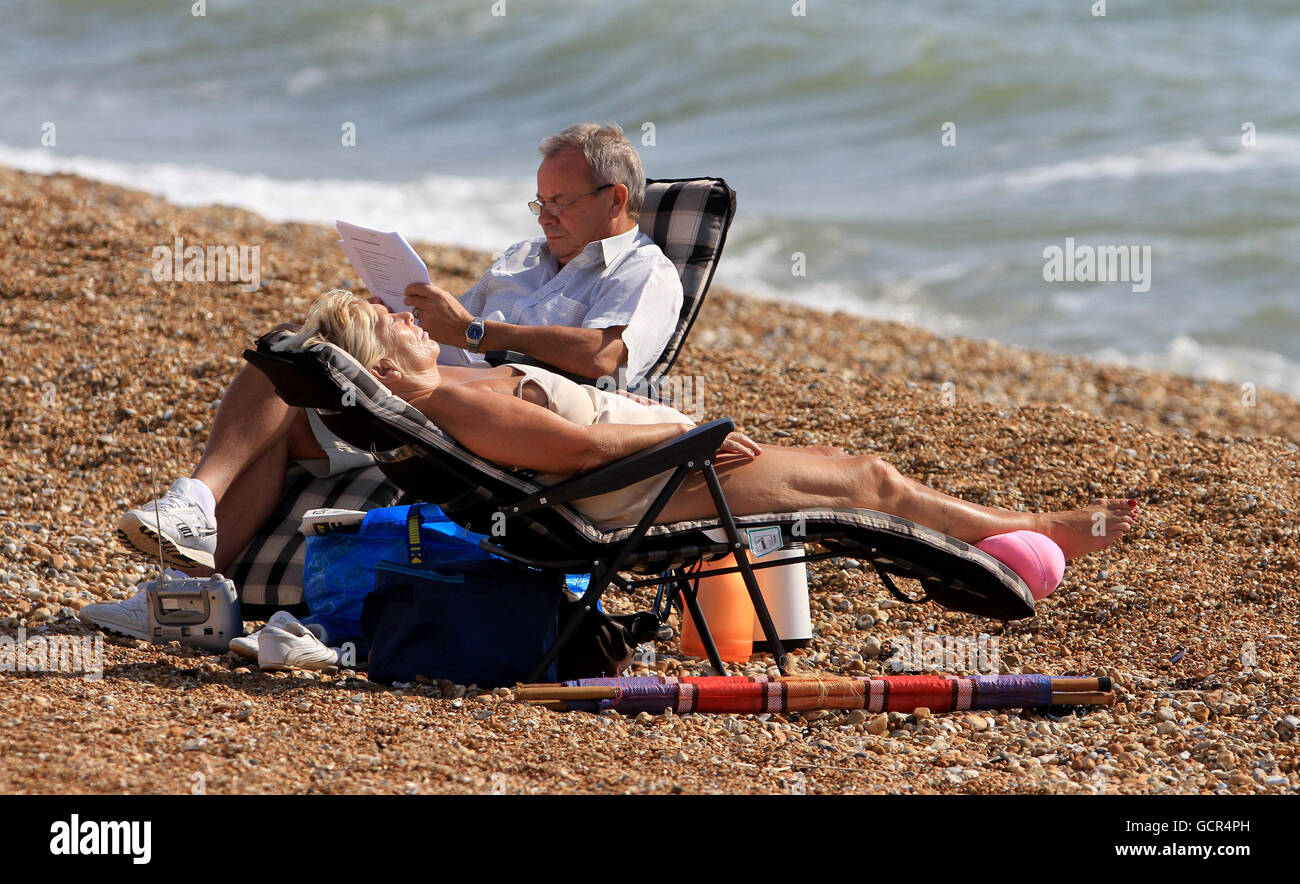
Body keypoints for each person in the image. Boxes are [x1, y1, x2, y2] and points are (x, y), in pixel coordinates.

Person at [89, 123, 683, 639]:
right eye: (539, 203)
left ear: (615, 198)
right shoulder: (524, 258)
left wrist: (475, 330)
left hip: (493, 426)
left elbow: (605, 356)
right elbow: (451, 336)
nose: (546, 216)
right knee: (290, 368)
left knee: (298, 365)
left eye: (559, 202)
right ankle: (192, 562)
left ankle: (192, 547)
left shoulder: (643, 273)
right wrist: (400, 314)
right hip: (427, 392)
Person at [273, 290, 1140, 557]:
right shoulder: (456, 402)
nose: (407, 318)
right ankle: (1035, 531)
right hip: (638, 491)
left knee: (855, 471)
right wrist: (683, 436)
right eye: (390, 322)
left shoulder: (448, 388)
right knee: (870, 483)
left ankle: (1004, 533)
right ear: (383, 369)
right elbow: (581, 451)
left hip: (650, 473)